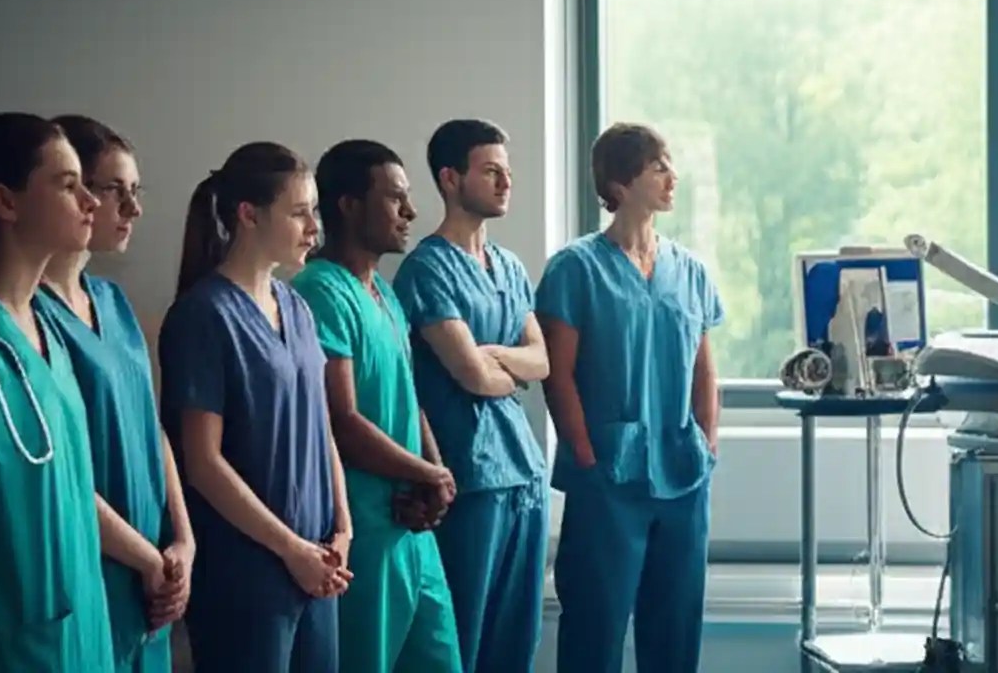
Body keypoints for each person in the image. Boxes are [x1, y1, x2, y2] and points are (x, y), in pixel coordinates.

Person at [157, 142, 353, 673]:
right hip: (248, 572)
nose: (315, 226)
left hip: (317, 564)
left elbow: (321, 428)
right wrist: (291, 549)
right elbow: (203, 463)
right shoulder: (202, 317)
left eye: (314, 210)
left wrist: (342, 526)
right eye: (299, 212)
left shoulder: (298, 308)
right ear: (248, 215)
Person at [536, 122, 724, 673]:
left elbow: (704, 370)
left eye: (669, 164)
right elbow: (558, 374)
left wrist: (706, 445)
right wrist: (586, 455)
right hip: (608, 477)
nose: (672, 176)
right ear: (619, 184)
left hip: (683, 474)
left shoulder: (689, 271)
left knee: (675, 627)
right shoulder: (577, 268)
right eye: (658, 166)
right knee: (595, 628)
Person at [291, 139, 462, 672]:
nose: (410, 212)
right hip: (365, 529)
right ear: (347, 204)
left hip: (411, 529)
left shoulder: (384, 295)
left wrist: (435, 473)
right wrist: (427, 475)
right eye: (395, 199)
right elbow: (341, 421)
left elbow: (408, 398)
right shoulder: (319, 291)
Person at [36, 114, 194, 673]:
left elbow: (151, 428)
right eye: (115, 190)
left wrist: (183, 542)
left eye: (136, 192)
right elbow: (61, 469)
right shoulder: (30, 318)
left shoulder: (114, 302)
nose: (133, 209)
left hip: (154, 572)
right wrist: (145, 557)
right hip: (97, 563)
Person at [392, 119, 549, 673]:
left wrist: (495, 357)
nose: (506, 182)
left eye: (508, 172)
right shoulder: (426, 269)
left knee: (516, 640)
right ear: (451, 178)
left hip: (523, 473)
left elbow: (543, 359)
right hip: (470, 479)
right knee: (464, 634)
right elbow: (470, 376)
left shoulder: (508, 266)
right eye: (491, 171)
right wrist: (508, 365)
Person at [0, 112, 113, 671]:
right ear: (5, 202)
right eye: (66, 184)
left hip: (83, 626)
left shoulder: (49, 332)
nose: (92, 201)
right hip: (14, 642)